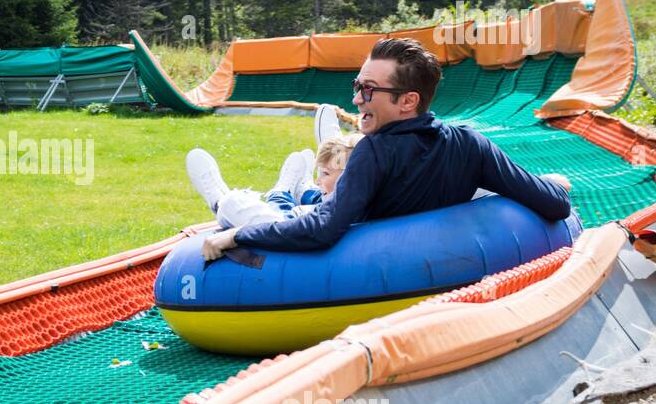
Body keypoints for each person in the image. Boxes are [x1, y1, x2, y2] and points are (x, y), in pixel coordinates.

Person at [200, 37, 574, 260]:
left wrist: (235, 236)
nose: (357, 98)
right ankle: (309, 171)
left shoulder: (374, 152)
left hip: (336, 225)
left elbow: (321, 230)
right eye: (357, 85)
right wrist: (546, 184)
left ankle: (223, 199)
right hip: (357, 200)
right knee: (320, 187)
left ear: (408, 101)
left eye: (367, 91)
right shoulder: (470, 144)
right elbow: (556, 204)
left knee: (248, 210)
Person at [188, 131, 363, 230]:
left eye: (325, 173)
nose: (319, 181)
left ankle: (221, 201)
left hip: (290, 223)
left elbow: (282, 227)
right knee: (312, 198)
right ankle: (294, 190)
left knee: (233, 204)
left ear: (348, 178)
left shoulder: (343, 210)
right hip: (304, 214)